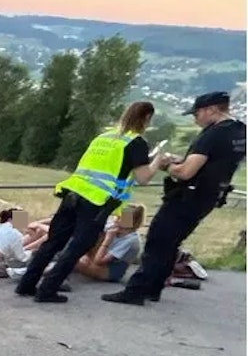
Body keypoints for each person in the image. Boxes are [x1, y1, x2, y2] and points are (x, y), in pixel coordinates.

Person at [103, 91, 247, 305]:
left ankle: (135, 291)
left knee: (158, 240)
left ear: (211, 110)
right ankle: (153, 288)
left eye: (197, 114)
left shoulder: (213, 134)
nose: (195, 119)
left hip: (188, 195)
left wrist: (165, 164)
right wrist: (182, 159)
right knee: (171, 243)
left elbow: (186, 172)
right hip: (210, 195)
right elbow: (212, 163)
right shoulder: (239, 131)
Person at [15, 101, 164, 303]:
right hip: (96, 202)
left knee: (54, 241)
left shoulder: (104, 137)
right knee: (78, 246)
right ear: (146, 118)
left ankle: (26, 284)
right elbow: (143, 177)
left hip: (72, 193)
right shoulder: (136, 142)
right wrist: (158, 161)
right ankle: (48, 289)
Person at [74, 204, 145, 282]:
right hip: (96, 258)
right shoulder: (113, 226)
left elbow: (98, 261)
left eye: (120, 218)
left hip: (110, 270)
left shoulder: (130, 240)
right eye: (117, 216)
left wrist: (108, 239)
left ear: (132, 222)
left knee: (73, 261)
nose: (115, 220)